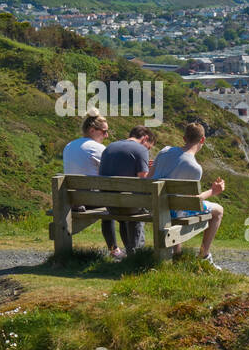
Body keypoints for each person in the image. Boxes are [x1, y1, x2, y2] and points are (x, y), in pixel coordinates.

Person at [151, 121, 226, 269]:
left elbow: (149, 177)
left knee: (176, 204)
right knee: (218, 211)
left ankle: (177, 254)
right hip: (175, 210)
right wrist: (213, 191)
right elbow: (191, 201)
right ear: (202, 140)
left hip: (153, 206)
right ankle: (204, 255)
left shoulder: (164, 151)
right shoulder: (194, 167)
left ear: (184, 138)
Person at [62, 108, 120, 259]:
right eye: (104, 131)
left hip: (71, 198)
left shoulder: (69, 146)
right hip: (91, 199)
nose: (106, 135)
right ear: (93, 130)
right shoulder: (98, 148)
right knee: (115, 202)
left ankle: (115, 249)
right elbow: (113, 173)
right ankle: (116, 249)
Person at [99, 126, 155, 257]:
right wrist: (152, 171)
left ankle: (130, 254)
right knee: (139, 204)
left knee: (129, 204)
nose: (148, 149)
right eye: (149, 147)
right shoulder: (141, 150)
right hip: (129, 206)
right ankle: (136, 255)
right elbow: (144, 182)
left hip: (109, 205)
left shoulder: (109, 148)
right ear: (145, 138)